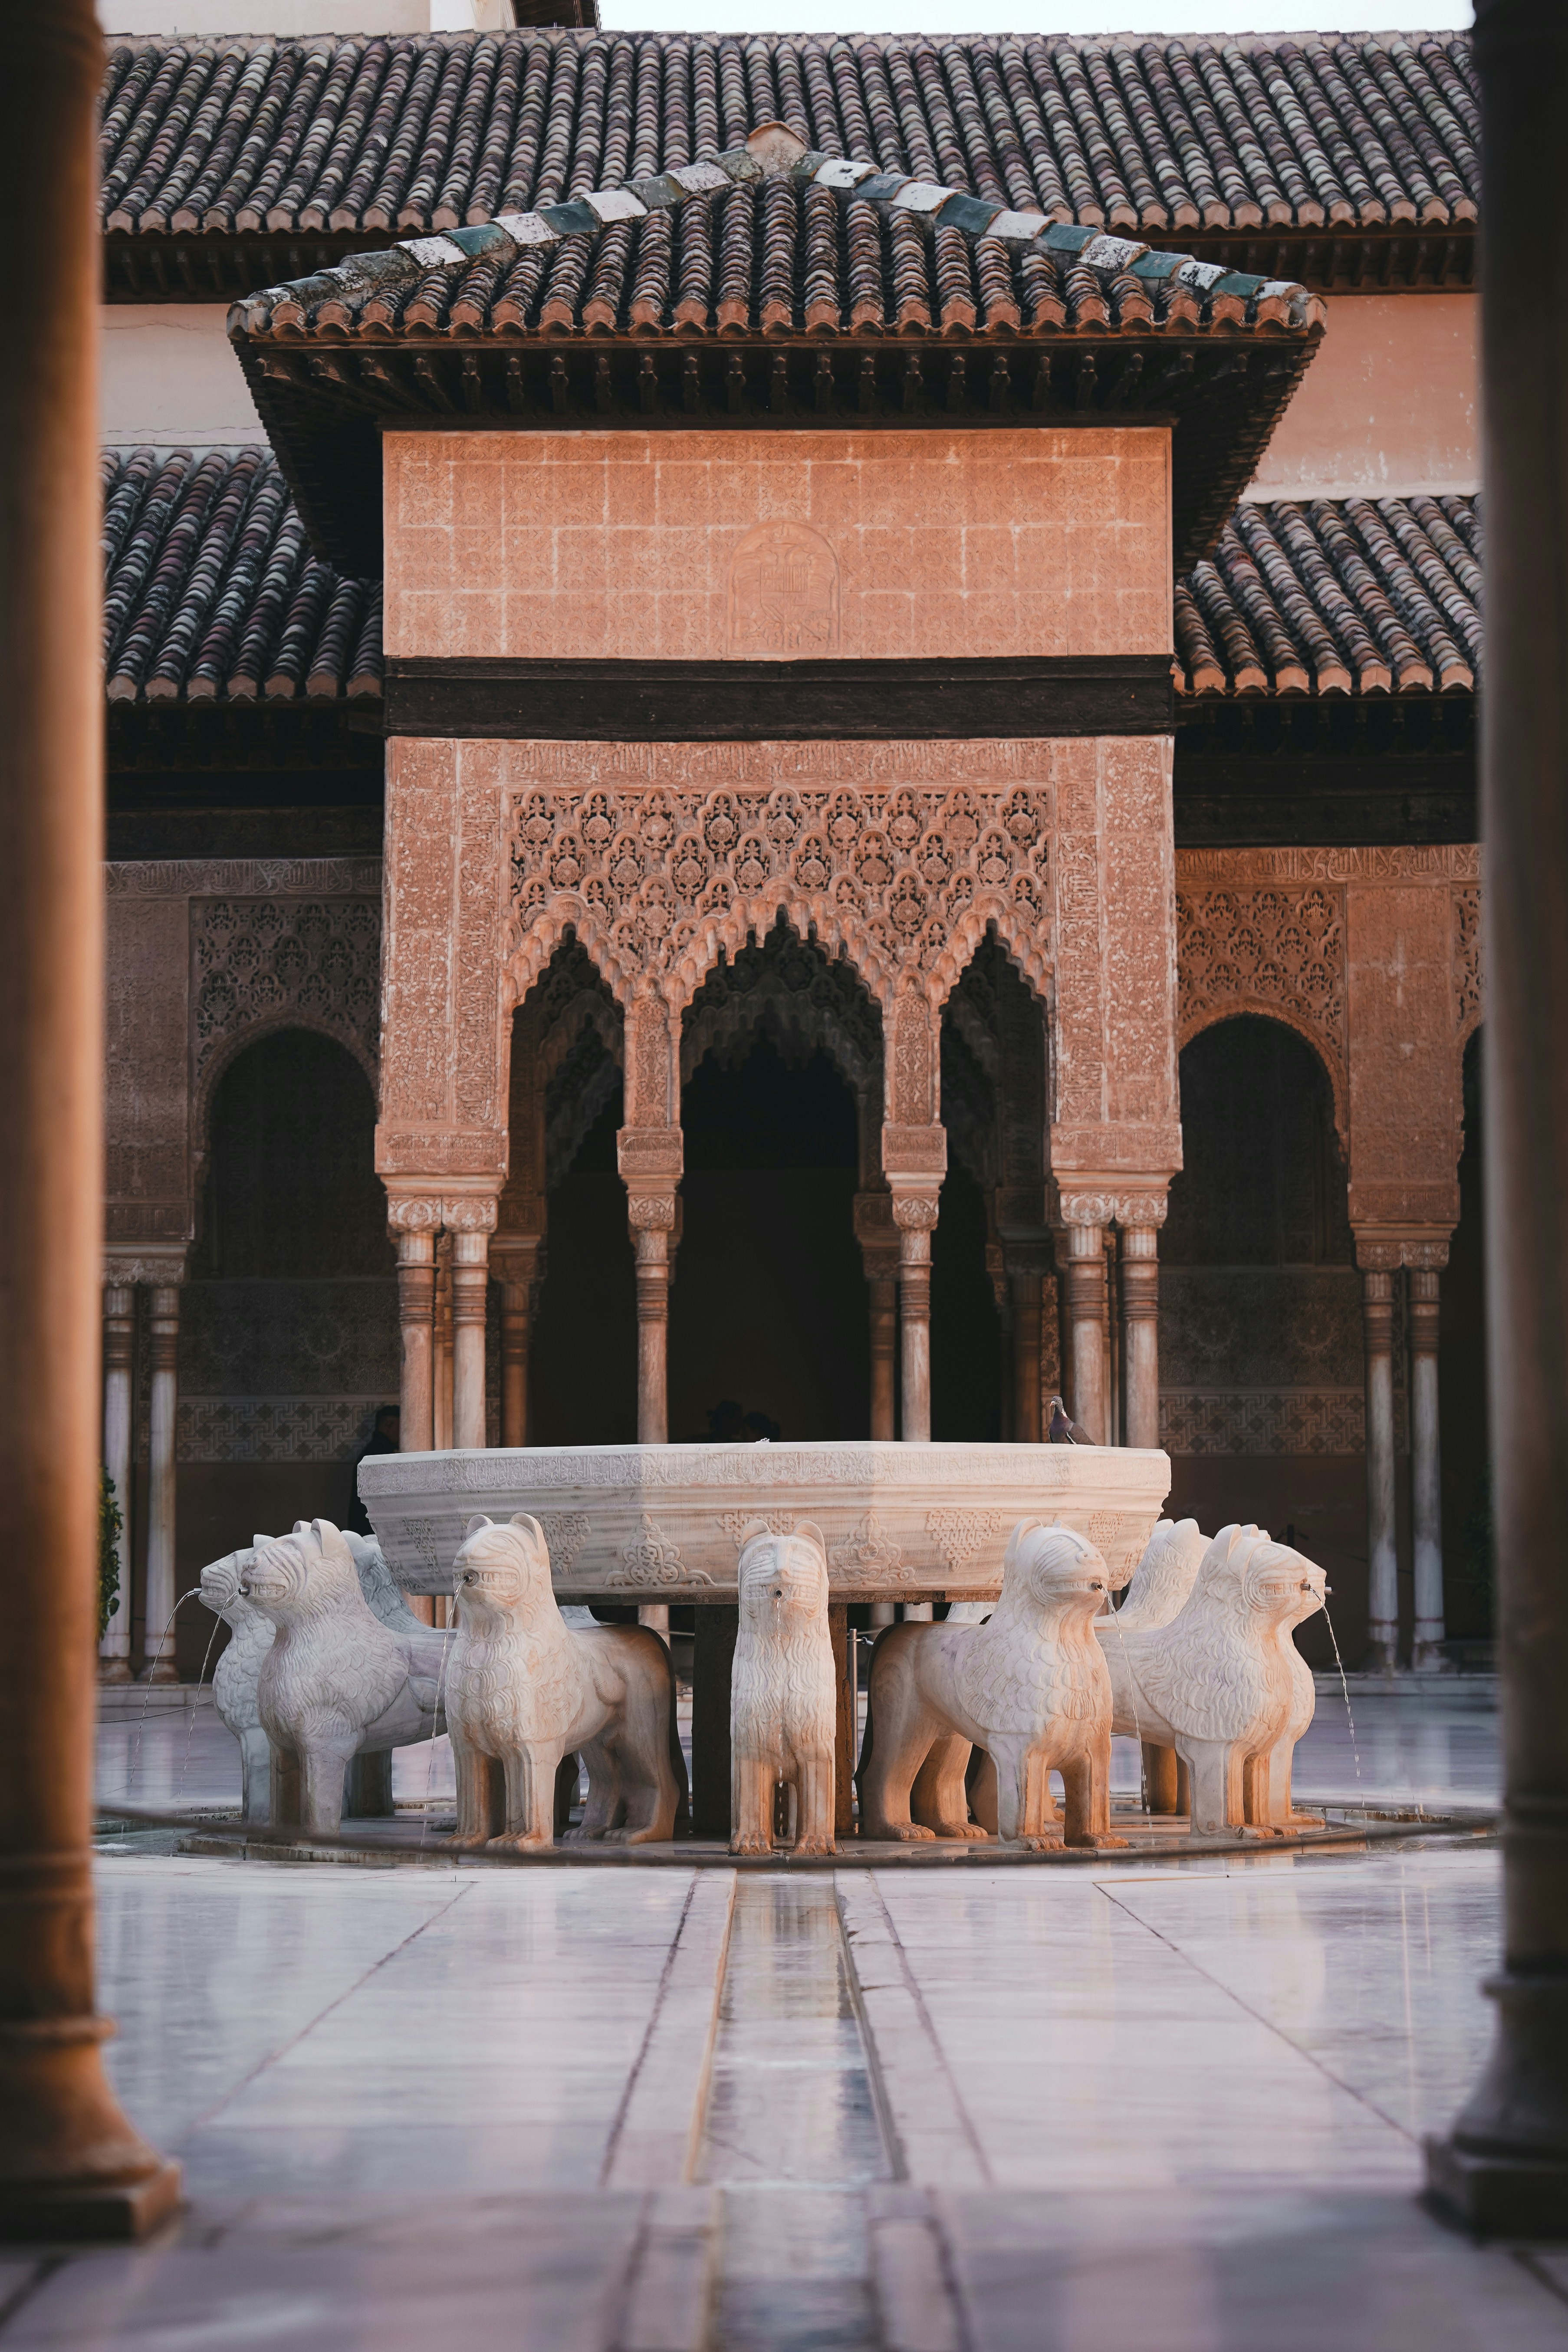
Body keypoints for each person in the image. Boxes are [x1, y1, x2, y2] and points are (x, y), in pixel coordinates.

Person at [346, 1405, 399, 1536]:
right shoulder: (378, 1454)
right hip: (371, 1532)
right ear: (389, 1425)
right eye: (401, 1427)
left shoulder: (375, 1451)